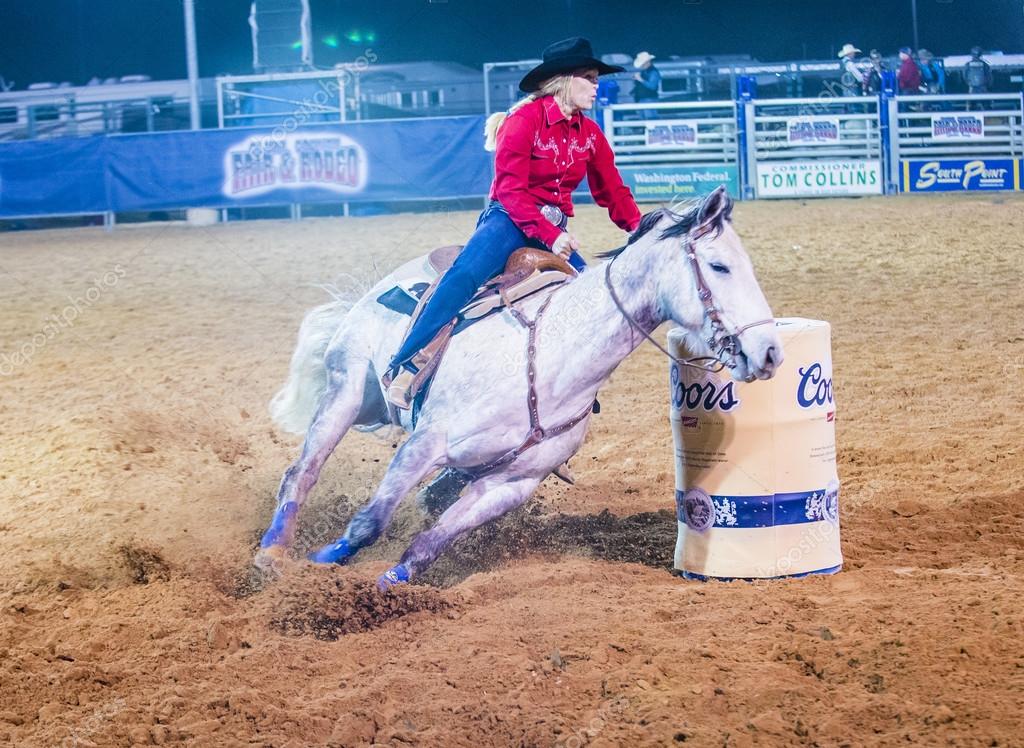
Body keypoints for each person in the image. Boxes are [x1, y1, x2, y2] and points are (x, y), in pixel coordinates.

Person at [384, 37, 642, 393]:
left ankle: (569, 384)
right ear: (565, 79)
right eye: (590, 78)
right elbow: (510, 192)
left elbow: (612, 191)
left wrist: (641, 228)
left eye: (597, 79)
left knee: (588, 296)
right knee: (464, 276)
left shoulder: (590, 134)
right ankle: (406, 362)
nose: (597, 86)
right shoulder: (524, 121)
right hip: (508, 219)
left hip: (549, 228)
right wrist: (551, 236)